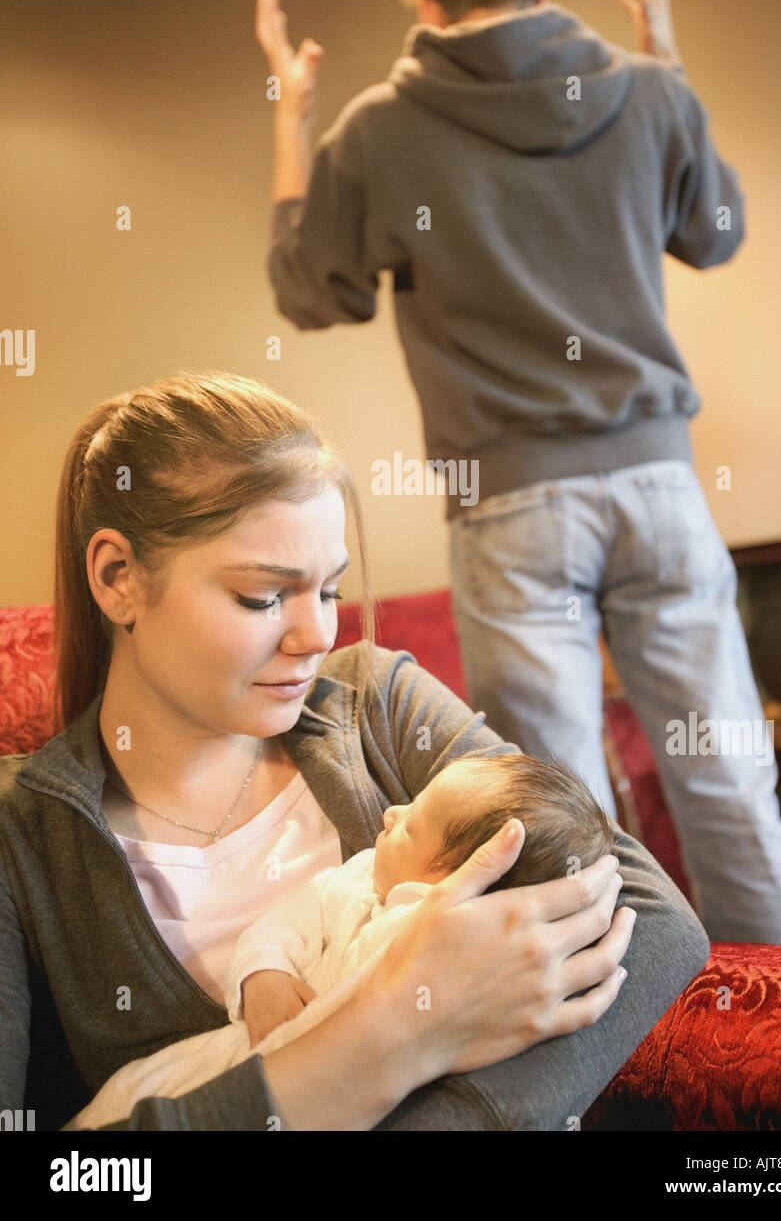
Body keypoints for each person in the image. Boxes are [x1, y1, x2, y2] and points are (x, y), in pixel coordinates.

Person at [257, 0, 781, 947]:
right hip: (656, 486)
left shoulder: (383, 125)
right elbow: (718, 229)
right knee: (732, 786)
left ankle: (634, 1072)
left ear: (427, 3)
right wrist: (669, 68)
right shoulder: (644, 91)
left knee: (561, 820)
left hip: (511, 505)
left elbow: (308, 289)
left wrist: (291, 116)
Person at [0, 369, 708, 1132]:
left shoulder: (376, 703)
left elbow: (652, 916)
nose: (318, 637)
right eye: (263, 596)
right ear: (118, 579)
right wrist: (390, 1035)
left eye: (329, 591)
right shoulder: (22, 837)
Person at [65, 751, 614, 1130]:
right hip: (249, 1063)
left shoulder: (482, 945)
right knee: (129, 1099)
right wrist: (266, 975)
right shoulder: (356, 876)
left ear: (463, 878)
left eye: (412, 827)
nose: (391, 811)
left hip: (317, 1089)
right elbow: (286, 923)